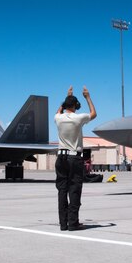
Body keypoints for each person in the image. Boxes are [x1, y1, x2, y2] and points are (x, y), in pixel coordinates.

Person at [54, 85, 96, 231]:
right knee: (74, 190)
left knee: (62, 191)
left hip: (60, 158)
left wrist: (66, 96)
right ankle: (73, 223)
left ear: (65, 105)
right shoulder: (78, 118)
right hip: (74, 158)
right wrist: (88, 97)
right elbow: (93, 113)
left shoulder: (58, 118)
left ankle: (63, 224)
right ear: (76, 106)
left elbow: (58, 111)